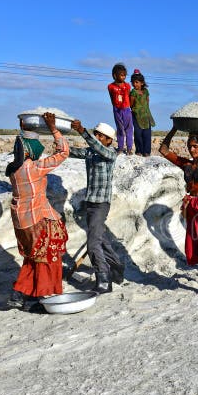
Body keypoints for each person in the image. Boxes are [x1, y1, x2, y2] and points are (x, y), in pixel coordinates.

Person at [5, 112, 69, 310]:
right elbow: (63, 152)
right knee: (48, 257)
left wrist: (24, 126)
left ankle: (22, 294)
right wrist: (53, 128)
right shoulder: (33, 167)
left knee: (33, 257)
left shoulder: (13, 168)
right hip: (37, 218)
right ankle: (42, 295)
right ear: (30, 152)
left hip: (21, 221)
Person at [159, 121, 198, 298]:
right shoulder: (186, 165)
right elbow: (164, 150)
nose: (192, 149)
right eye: (190, 146)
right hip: (194, 208)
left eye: (195, 146)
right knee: (197, 243)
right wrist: (173, 129)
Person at [69, 120, 123, 294]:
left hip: (101, 204)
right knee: (100, 239)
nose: (97, 138)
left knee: (93, 243)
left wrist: (83, 132)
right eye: (96, 134)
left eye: (101, 136)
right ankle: (117, 268)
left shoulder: (110, 153)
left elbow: (96, 146)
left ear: (109, 140)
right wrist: (59, 142)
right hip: (91, 202)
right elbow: (73, 152)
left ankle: (104, 279)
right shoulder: (92, 153)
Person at [130, 69, 156, 157]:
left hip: (146, 116)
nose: (134, 84)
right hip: (136, 116)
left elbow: (147, 102)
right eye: (133, 82)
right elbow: (131, 104)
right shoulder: (133, 92)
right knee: (138, 133)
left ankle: (146, 152)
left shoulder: (146, 92)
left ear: (142, 83)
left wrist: (145, 111)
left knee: (147, 134)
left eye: (136, 82)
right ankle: (139, 150)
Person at [108, 62, 133, 155]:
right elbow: (111, 97)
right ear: (115, 75)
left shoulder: (127, 86)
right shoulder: (110, 86)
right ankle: (120, 148)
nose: (123, 77)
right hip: (117, 109)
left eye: (124, 75)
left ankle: (129, 148)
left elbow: (129, 96)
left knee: (129, 129)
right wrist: (115, 107)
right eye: (121, 75)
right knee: (120, 129)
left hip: (126, 109)